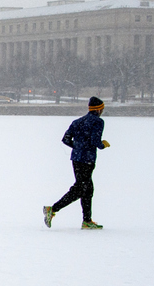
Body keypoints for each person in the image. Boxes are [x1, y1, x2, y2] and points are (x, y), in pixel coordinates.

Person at [44, 97, 110, 229]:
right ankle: (52, 209)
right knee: (80, 189)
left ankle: (87, 221)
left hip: (76, 159)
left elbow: (66, 139)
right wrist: (102, 145)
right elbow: (95, 140)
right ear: (98, 109)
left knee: (87, 189)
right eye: (102, 109)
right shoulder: (98, 122)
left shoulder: (77, 122)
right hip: (88, 160)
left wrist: (78, 147)